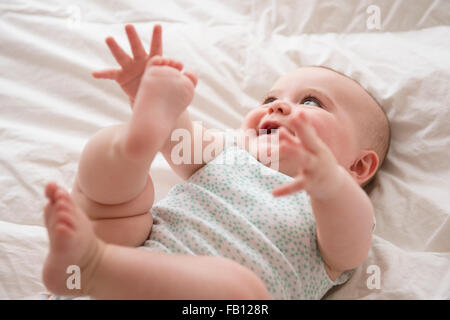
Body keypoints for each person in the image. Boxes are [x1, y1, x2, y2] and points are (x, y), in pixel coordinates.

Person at [42, 24, 390, 299]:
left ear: (357, 167)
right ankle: (137, 139)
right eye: (270, 98)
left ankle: (93, 265)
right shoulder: (231, 152)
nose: (277, 107)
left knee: (242, 291)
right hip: (126, 270)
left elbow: (349, 244)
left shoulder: (338, 210)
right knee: (110, 160)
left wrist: (329, 184)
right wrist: (159, 108)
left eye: (311, 103)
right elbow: (181, 143)